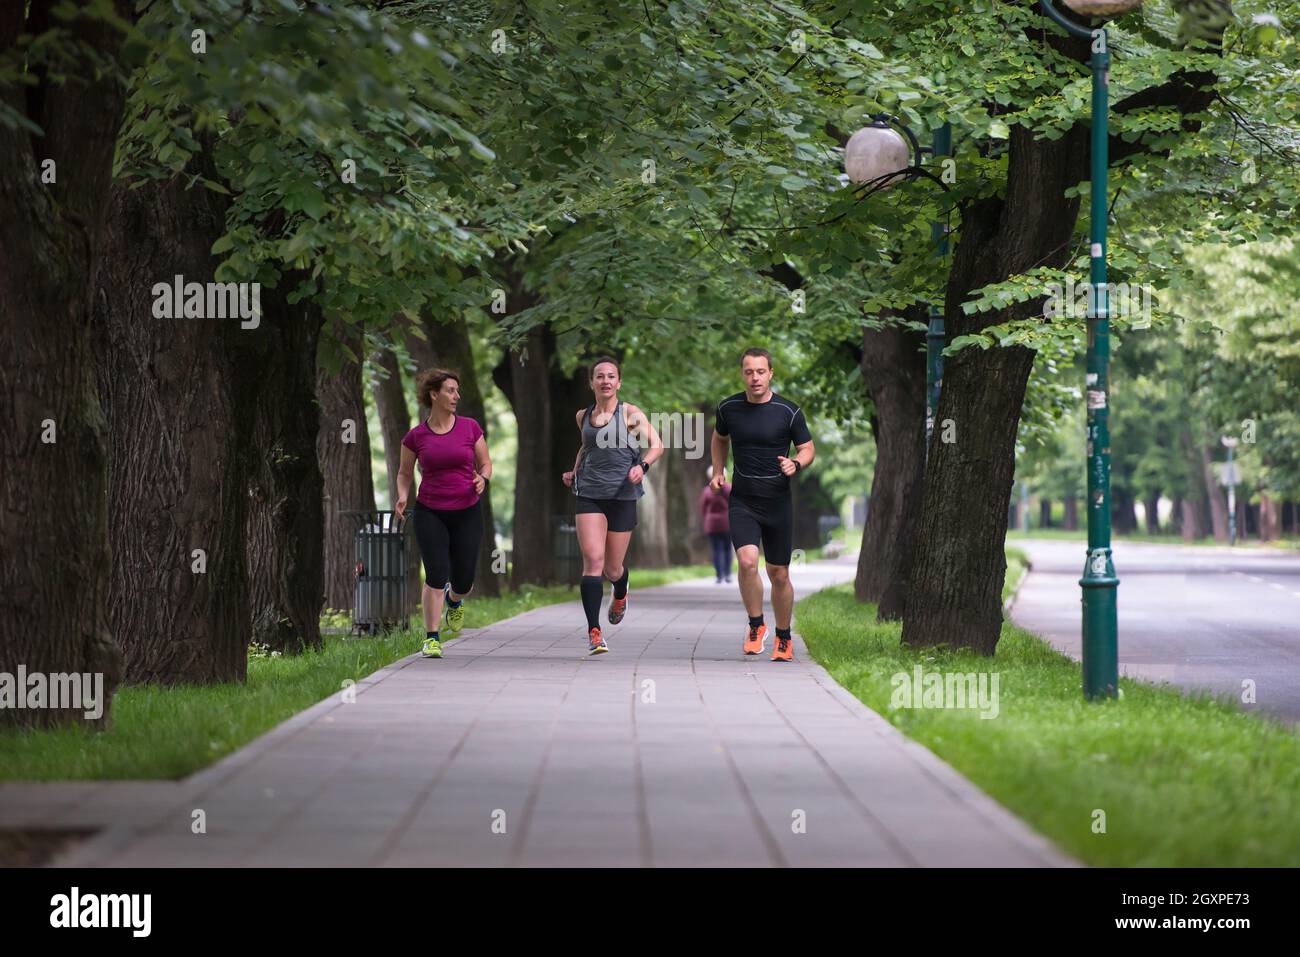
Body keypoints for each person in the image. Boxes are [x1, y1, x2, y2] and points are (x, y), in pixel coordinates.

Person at [710, 347, 815, 662]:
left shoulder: (789, 411)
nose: (754, 378)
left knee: (779, 573)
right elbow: (719, 438)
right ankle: (756, 625)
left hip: (777, 502)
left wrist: (796, 464)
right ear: (742, 373)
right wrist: (718, 470)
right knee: (746, 562)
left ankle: (784, 636)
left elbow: (807, 448)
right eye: (748, 372)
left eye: (760, 371)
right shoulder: (728, 408)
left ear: (770, 374)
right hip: (743, 499)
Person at [562, 356, 663, 655]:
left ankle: (620, 589)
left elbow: (657, 445)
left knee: (612, 568)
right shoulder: (583, 415)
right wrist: (574, 470)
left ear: (618, 382)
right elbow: (586, 447)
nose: (605, 381)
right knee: (593, 561)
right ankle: (594, 632)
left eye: (611, 376)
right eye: (599, 376)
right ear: (591, 382)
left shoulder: (630, 413)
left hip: (622, 494)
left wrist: (642, 467)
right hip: (589, 493)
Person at [395, 368, 492, 659]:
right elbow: (404, 472)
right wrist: (402, 495)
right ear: (434, 394)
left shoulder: (470, 427)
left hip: (467, 510)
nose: (456, 396)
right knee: (436, 573)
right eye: (451, 390)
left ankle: (455, 599)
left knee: (463, 579)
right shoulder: (416, 436)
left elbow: (485, 463)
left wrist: (483, 479)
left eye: (457, 391)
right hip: (430, 511)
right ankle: (432, 637)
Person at [698, 466, 732, 584]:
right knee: (727, 549)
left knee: (716, 550)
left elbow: (702, 508)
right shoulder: (729, 489)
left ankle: (719, 575)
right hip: (727, 523)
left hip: (711, 524)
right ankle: (728, 574)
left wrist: (706, 519)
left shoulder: (707, 491)